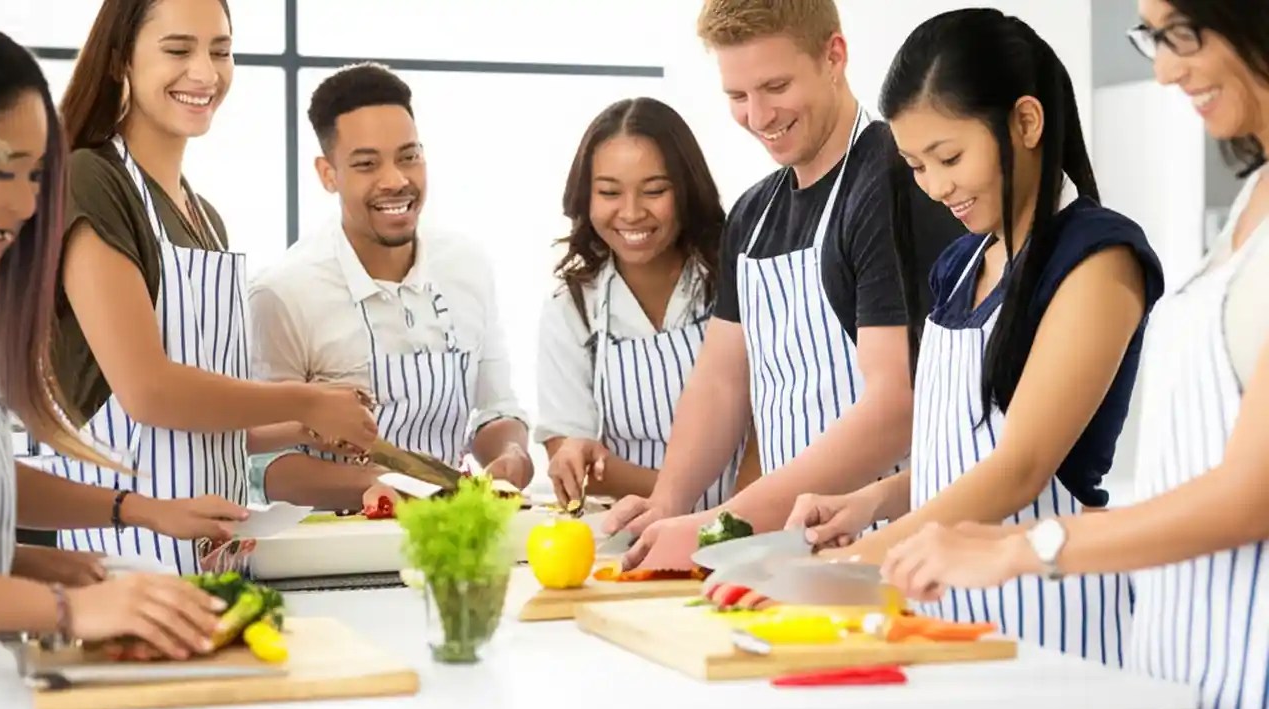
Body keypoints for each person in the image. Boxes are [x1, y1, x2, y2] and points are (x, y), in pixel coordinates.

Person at [879, 0, 1269, 709]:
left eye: (1178, 33)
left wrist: (1024, 548)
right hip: (1179, 647)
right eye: (1151, 36)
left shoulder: (1097, 253)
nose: (1161, 69)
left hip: (1162, 637)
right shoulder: (1253, 201)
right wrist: (872, 508)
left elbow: (1252, 493)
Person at [745, 9, 1167, 667]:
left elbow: (1020, 466)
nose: (937, 188)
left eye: (949, 157)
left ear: (1026, 123)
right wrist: (871, 502)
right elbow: (962, 449)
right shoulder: (962, 263)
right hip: (944, 612)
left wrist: (862, 562)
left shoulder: (1097, 258)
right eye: (916, 165)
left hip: (1052, 625)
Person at [604, 0, 962, 569]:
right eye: (737, 97)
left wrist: (723, 524)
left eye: (775, 86)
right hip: (791, 545)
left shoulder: (892, 183)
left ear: (834, 56)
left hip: (890, 546)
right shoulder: (754, 214)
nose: (759, 115)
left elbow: (896, 405)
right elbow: (721, 381)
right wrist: (667, 503)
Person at [25, 0, 378, 576]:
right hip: (119, 557)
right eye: (178, 50)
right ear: (121, 62)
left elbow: (200, 421)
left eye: (220, 50)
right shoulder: (91, 180)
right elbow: (148, 392)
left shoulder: (205, 217)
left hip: (212, 551)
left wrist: (302, 428)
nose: (206, 73)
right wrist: (305, 398)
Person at [0, 24, 232, 661]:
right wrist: (68, 608)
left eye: (36, 174)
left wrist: (136, 512)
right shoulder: (106, 184)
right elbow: (148, 388)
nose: (24, 205)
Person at [247, 63, 533, 510]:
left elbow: (495, 409)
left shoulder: (467, 266)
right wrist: (391, 482)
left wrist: (511, 455)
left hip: (455, 535)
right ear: (328, 174)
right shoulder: (283, 291)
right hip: (335, 549)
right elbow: (268, 465)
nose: (396, 180)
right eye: (366, 164)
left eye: (408, 156)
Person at [535, 97, 760, 511]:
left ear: (687, 189)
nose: (632, 213)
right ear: (586, 197)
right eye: (609, 192)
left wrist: (729, 521)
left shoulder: (740, 280)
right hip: (631, 534)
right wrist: (683, 503)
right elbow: (572, 457)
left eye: (655, 190)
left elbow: (768, 428)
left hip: (751, 526)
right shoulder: (572, 309)